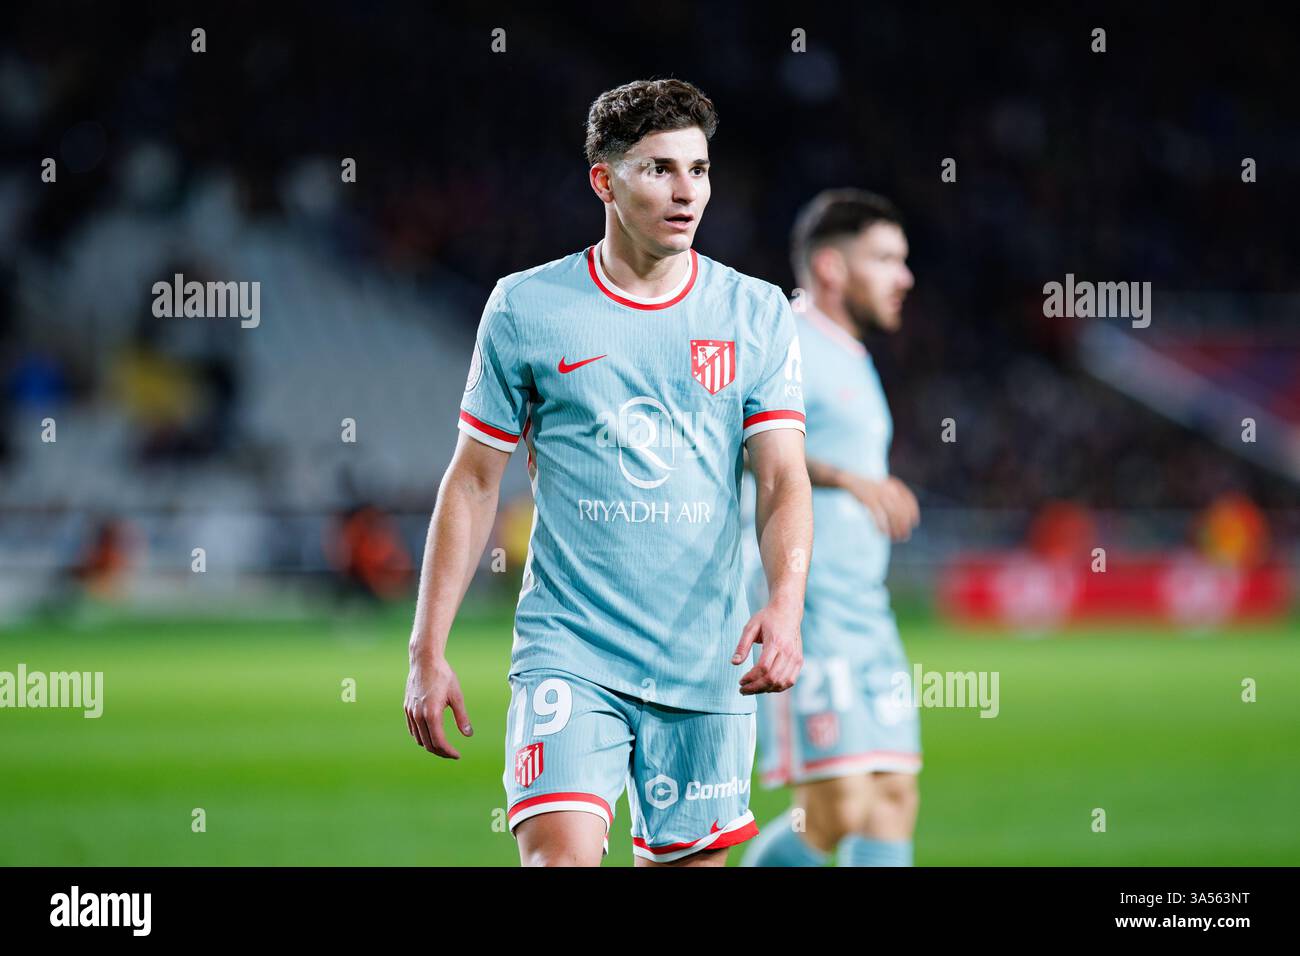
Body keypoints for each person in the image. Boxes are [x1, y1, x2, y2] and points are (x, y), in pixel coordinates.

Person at [403, 78, 812, 867]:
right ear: (605, 180)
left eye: (698, 169)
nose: (686, 190)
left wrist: (786, 603)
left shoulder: (756, 312)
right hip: (570, 649)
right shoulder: (527, 307)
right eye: (659, 169)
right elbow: (474, 480)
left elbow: (784, 480)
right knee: (559, 858)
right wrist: (428, 648)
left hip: (705, 662)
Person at [742, 189, 921, 867]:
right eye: (884, 258)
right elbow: (743, 442)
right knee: (835, 804)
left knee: (893, 796)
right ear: (830, 268)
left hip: (864, 610)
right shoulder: (783, 339)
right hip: (806, 610)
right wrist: (850, 479)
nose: (903, 277)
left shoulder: (852, 354)